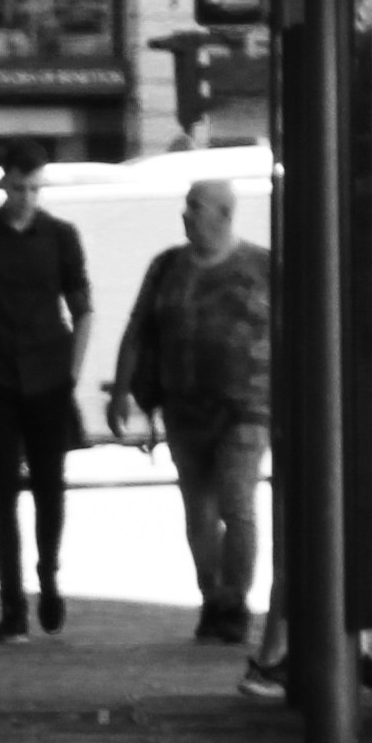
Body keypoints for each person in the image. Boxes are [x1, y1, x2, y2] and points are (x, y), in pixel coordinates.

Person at [106, 177, 274, 646]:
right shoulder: (166, 267)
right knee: (199, 508)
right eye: (186, 206)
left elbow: (295, 333)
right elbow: (138, 328)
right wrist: (121, 392)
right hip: (182, 408)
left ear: (224, 214)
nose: (186, 214)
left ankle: (234, 602)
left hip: (247, 408)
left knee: (237, 503)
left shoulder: (262, 267)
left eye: (195, 207)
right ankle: (212, 598)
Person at [0, 152, 94, 645]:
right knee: (1, 493)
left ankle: (48, 576)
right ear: (3, 184)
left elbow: (83, 309)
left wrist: (72, 371)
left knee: (51, 485)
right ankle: (12, 605)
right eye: (19, 188)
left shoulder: (61, 236)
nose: (26, 198)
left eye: (34, 189)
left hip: (48, 373)